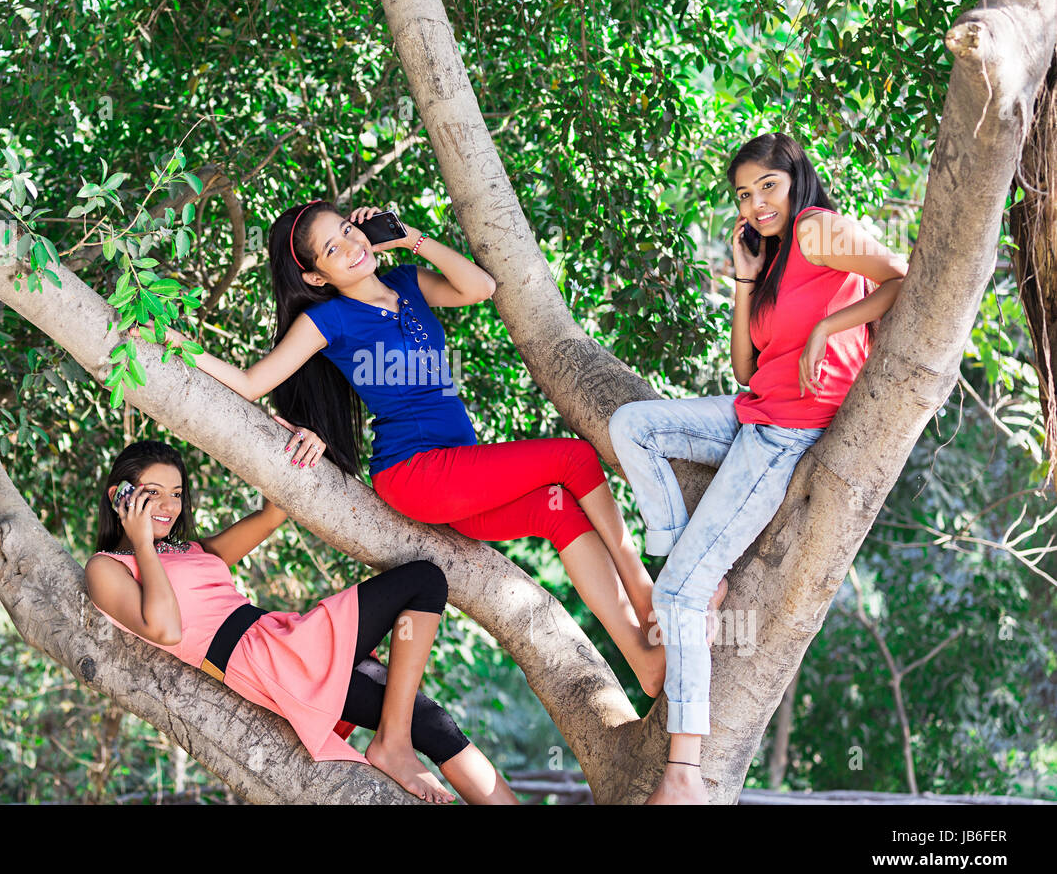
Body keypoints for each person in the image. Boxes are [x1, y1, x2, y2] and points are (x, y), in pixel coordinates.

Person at [147, 201, 728, 697]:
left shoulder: (405, 280)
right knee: (572, 459)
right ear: (319, 278)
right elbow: (252, 383)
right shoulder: (328, 320)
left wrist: (410, 240)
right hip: (415, 472)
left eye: (347, 230)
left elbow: (481, 288)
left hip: (459, 474)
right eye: (331, 250)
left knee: (558, 506)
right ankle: (650, 597)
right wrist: (172, 340)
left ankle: (645, 660)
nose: (349, 246)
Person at [607, 132, 908, 804]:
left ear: (795, 179)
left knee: (678, 595)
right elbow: (746, 368)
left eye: (767, 186)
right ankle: (680, 557)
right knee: (634, 425)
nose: (755, 202)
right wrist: (746, 281)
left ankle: (683, 774)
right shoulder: (772, 258)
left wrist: (832, 330)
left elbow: (903, 275)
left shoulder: (819, 228)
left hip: (785, 435)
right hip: (753, 411)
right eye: (744, 194)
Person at [84, 439, 518, 804]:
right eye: (153, 492)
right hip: (261, 662)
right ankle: (393, 742)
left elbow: (274, 512)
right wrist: (140, 540)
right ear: (118, 495)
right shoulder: (107, 568)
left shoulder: (192, 551)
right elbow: (166, 630)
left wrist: (296, 444)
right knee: (424, 581)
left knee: (427, 718)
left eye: (176, 494)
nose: (168, 505)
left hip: (282, 638)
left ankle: (394, 740)